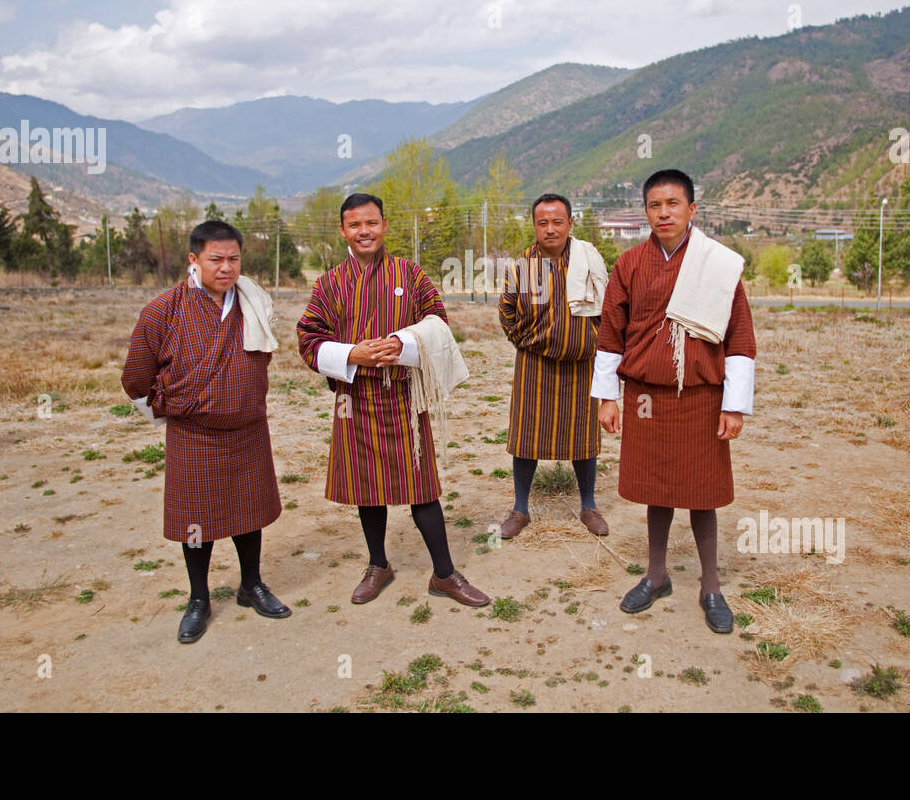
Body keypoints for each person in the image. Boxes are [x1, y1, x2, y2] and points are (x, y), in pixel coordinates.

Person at [295, 193, 490, 608]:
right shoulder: (329, 283)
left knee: (422, 489)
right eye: (354, 225)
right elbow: (308, 340)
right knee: (368, 490)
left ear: (384, 225)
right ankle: (378, 564)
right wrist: (354, 354)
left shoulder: (411, 274)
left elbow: (438, 324)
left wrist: (400, 344)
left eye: (371, 223)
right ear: (343, 230)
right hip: (354, 399)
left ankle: (444, 573)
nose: (363, 231)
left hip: (403, 397)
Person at [591, 169, 756, 634]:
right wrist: (607, 397)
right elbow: (610, 335)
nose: (663, 213)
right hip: (645, 396)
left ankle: (711, 586)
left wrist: (734, 404)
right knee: (655, 488)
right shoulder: (628, 265)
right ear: (646, 211)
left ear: (692, 210)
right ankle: (656, 576)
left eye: (673, 204)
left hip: (702, 396)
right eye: (654, 205)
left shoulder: (718, 267)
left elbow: (740, 338)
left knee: (701, 492)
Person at [121, 220, 290, 645]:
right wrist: (173, 408)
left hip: (248, 427)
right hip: (195, 434)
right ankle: (199, 599)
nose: (227, 267)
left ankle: (251, 585)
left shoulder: (252, 303)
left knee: (249, 512)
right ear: (194, 261)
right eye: (216, 259)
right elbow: (136, 378)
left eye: (234, 258)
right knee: (197, 520)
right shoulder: (164, 310)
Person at [497, 193, 609, 538]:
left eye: (557, 221)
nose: (550, 229)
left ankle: (588, 505)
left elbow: (608, 310)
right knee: (526, 436)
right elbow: (506, 314)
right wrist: (530, 343)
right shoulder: (520, 268)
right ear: (534, 226)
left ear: (570, 224)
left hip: (581, 367)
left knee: (584, 436)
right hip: (534, 367)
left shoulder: (589, 261)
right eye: (542, 222)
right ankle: (520, 509)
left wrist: (587, 338)